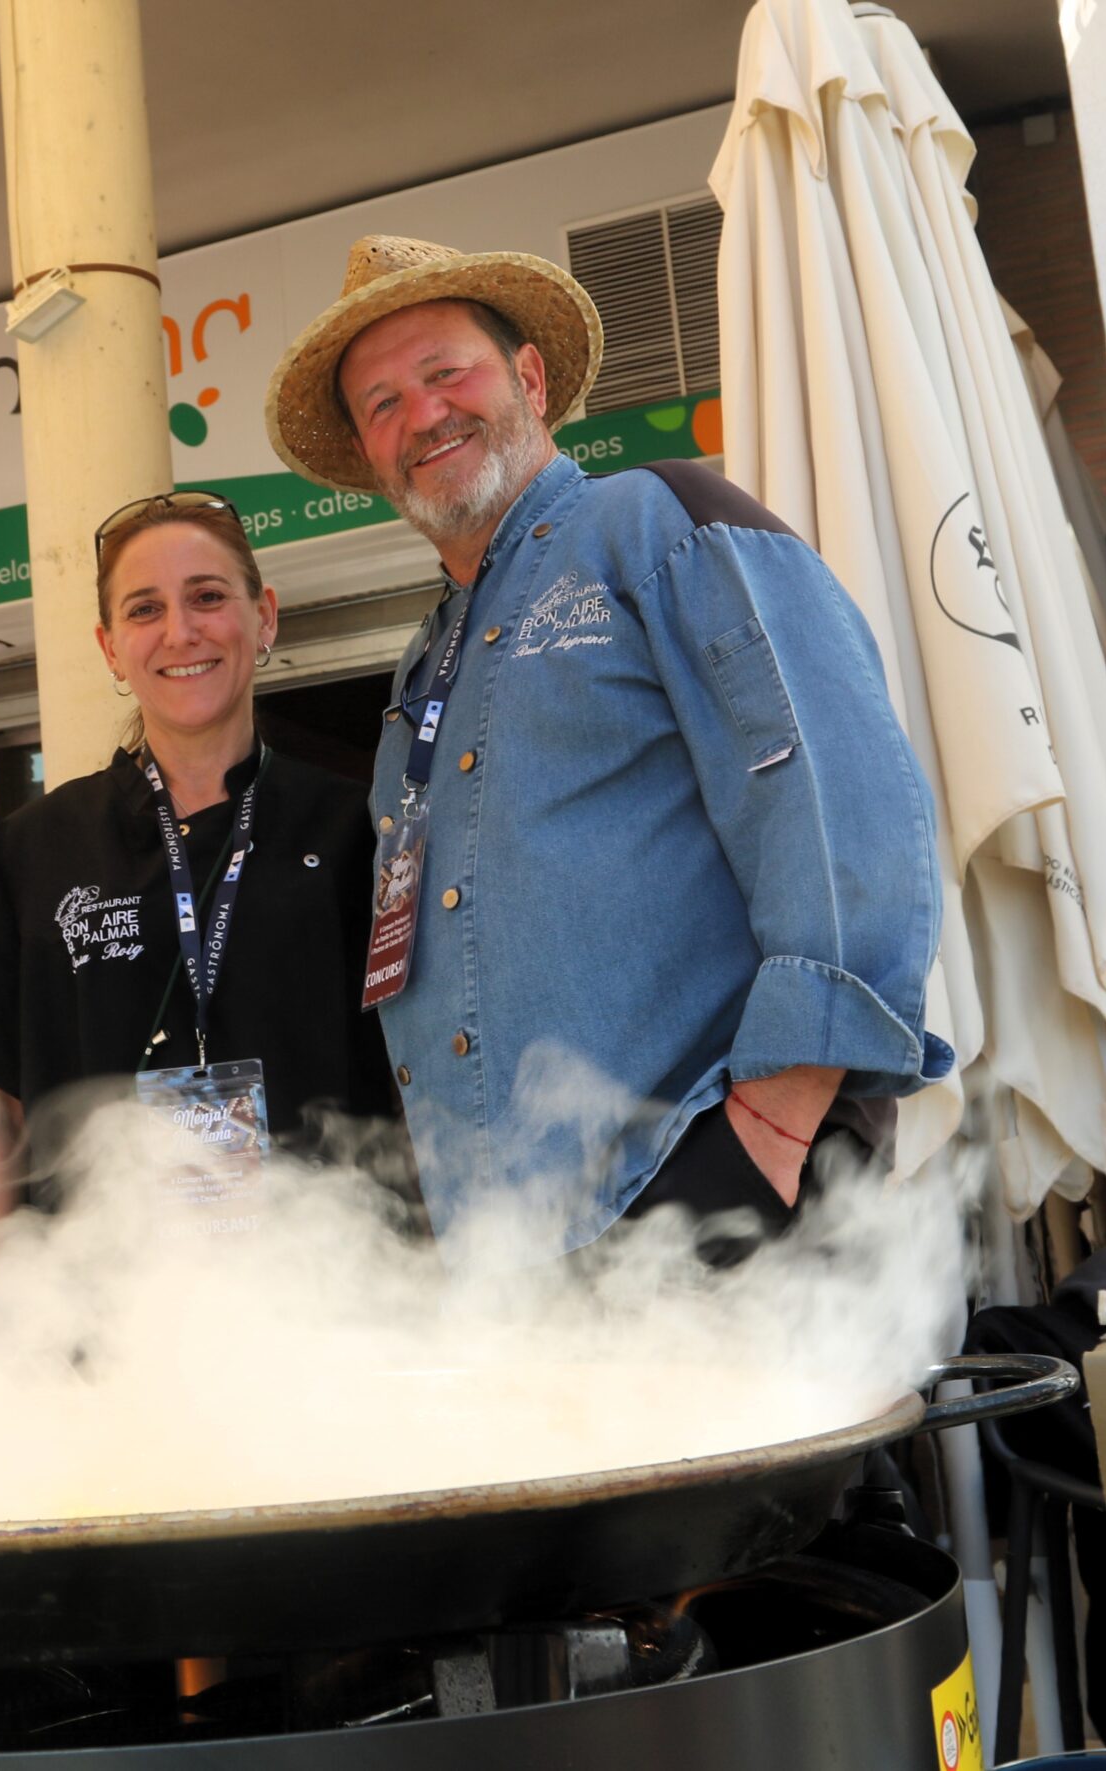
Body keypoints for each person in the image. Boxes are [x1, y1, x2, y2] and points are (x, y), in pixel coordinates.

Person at [264, 234, 951, 1268]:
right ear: (368, 456)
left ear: (529, 378)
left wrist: (765, 1133)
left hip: (709, 1194)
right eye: (382, 404)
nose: (422, 415)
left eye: (444, 372)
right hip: (517, 1255)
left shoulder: (658, 522)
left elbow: (838, 810)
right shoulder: (420, 669)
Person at [0, 492, 399, 1260]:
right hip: (101, 1321)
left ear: (266, 616)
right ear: (110, 647)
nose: (181, 631)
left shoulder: (359, 831)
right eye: (144, 609)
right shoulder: (33, 852)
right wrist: (3, 1320)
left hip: (330, 1303)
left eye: (209, 597)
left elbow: (413, 1081)